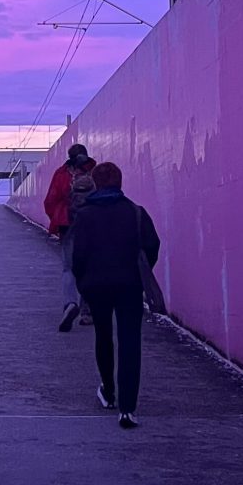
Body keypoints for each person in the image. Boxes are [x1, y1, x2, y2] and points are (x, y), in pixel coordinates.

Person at [70, 160, 159, 428]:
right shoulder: (135, 212)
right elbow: (152, 246)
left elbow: (78, 256)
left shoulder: (85, 215)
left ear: (96, 183)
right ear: (120, 183)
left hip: (96, 285)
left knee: (104, 336)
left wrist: (83, 283)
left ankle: (108, 391)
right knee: (130, 341)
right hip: (130, 285)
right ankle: (128, 408)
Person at [44, 143, 97, 332]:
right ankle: (87, 312)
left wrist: (58, 220)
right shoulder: (95, 171)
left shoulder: (61, 173)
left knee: (69, 268)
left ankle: (69, 304)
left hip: (68, 225)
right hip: (91, 226)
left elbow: (50, 201)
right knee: (89, 268)